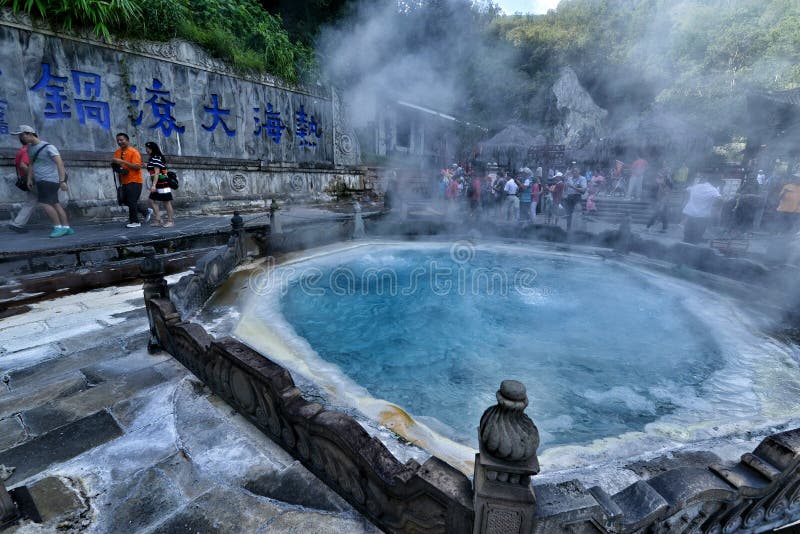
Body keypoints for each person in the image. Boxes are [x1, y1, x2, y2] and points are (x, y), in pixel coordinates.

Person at [14, 125, 74, 238]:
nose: (21, 139)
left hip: (50, 179)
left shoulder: (48, 147)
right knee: (55, 203)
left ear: (30, 134)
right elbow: (31, 164)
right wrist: (29, 178)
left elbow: (60, 163)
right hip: (40, 180)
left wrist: (62, 181)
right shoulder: (30, 148)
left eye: (22, 136)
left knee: (44, 203)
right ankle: (66, 228)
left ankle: (58, 227)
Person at [112, 132, 152, 228]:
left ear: (127, 140)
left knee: (131, 201)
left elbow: (137, 166)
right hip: (124, 181)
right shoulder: (117, 152)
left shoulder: (134, 152)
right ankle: (145, 211)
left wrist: (122, 161)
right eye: (118, 140)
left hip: (135, 180)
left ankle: (135, 221)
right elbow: (117, 165)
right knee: (125, 200)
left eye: (122, 140)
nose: (119, 142)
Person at [682, 176, 721, 244]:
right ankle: (693, 248)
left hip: (691, 213)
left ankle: (684, 246)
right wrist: (716, 208)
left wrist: (688, 200)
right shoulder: (713, 189)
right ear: (715, 182)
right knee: (697, 236)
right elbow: (720, 199)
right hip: (702, 216)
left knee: (687, 233)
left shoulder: (697, 186)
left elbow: (686, 190)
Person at [144, 141, 175, 227]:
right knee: (151, 200)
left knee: (166, 202)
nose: (147, 150)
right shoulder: (153, 158)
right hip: (157, 183)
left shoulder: (156, 158)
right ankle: (158, 219)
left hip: (162, 183)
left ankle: (170, 221)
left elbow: (157, 173)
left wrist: (153, 185)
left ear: (153, 149)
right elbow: (153, 171)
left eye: (148, 149)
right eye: (146, 148)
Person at [8, 131, 33, 233]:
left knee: (32, 201)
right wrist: (33, 176)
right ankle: (60, 223)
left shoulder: (21, 151)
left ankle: (18, 223)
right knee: (51, 200)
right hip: (31, 180)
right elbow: (23, 165)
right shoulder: (27, 150)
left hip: (26, 178)